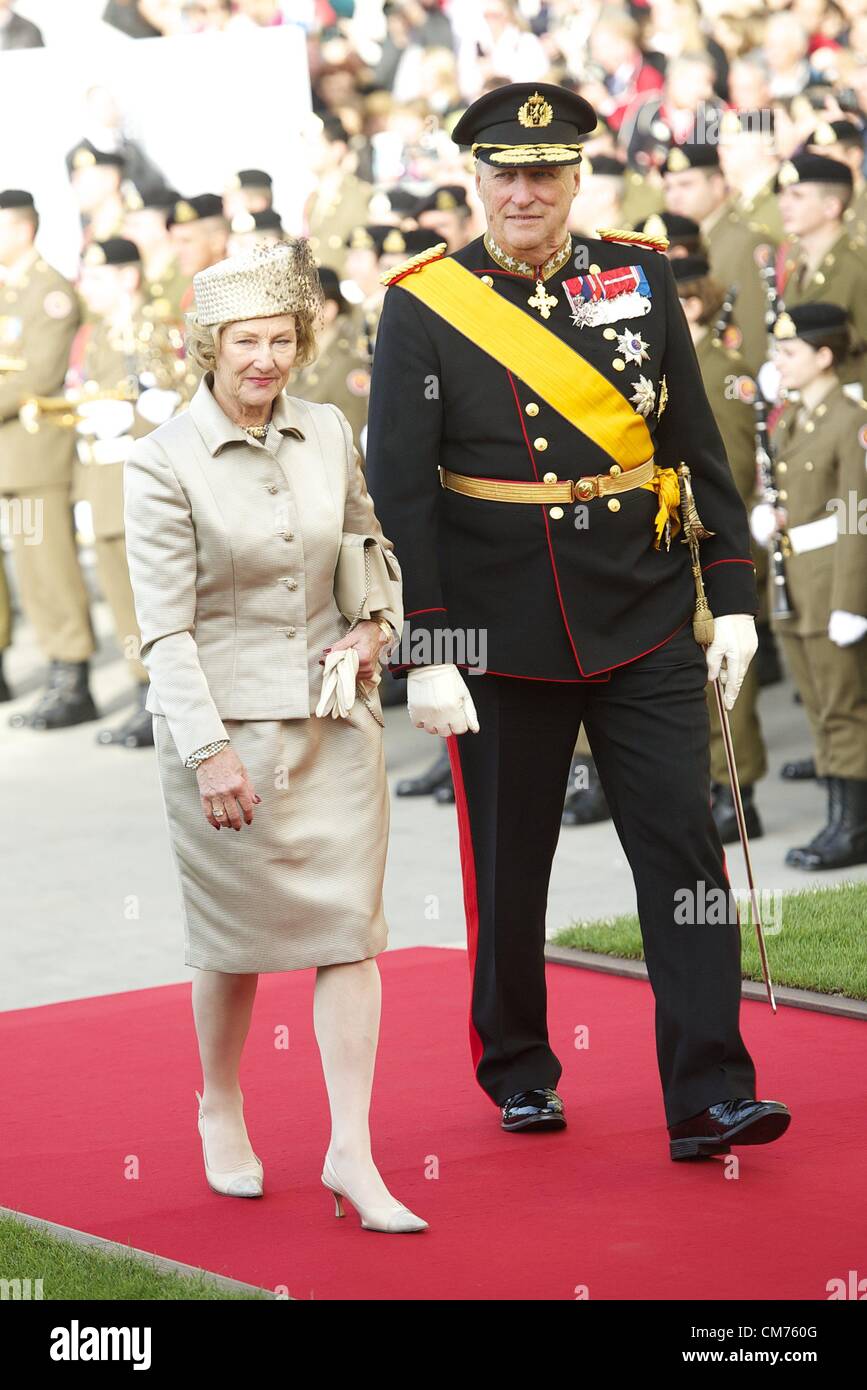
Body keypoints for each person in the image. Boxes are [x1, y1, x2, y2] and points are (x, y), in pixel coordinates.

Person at [366, 82, 791, 1161]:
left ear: (575, 180)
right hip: (499, 633)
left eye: (546, 174)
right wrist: (428, 648)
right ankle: (517, 1064)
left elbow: (697, 442)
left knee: (687, 855)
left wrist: (732, 597)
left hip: (642, 609)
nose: (525, 192)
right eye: (504, 173)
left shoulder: (638, 274)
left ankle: (709, 1091)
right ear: (475, 181)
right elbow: (404, 494)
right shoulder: (425, 303)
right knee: (513, 866)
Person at [123, 240, 426, 1231]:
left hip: (336, 723)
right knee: (233, 943)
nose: (267, 359)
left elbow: (365, 540)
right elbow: (164, 630)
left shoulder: (329, 427)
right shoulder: (161, 461)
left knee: (352, 935)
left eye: (283, 339)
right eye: (248, 341)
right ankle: (220, 1104)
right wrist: (207, 750)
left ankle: (352, 1150)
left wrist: (376, 623)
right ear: (208, 346)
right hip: (226, 736)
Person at [751, 305, 867, 869]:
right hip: (795, 582)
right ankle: (837, 819)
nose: (779, 362)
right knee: (820, 706)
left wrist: (850, 602)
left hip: (830, 586)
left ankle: (853, 827)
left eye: (790, 352)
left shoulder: (849, 418)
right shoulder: (796, 416)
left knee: (843, 706)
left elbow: (855, 515)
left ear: (824, 356)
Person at [70, 236, 187, 748]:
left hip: (145, 473)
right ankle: (144, 689)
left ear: (128, 277)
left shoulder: (157, 326)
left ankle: (169, 700)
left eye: (97, 277)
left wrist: (136, 417)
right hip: (104, 475)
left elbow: (179, 398)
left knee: (153, 598)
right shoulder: (98, 334)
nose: (86, 288)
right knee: (120, 597)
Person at [671, 253, 768, 843]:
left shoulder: (722, 370)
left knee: (729, 671)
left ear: (692, 304)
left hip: (708, 533)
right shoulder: (681, 363)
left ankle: (740, 792)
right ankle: (712, 787)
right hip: (677, 535)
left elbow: (726, 468)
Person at [0, 189, 97, 730]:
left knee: (50, 568)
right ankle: (59, 667)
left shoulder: (49, 292)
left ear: (21, 230)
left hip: (37, 457)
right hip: (13, 460)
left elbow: (38, 375)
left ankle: (73, 676)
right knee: (32, 570)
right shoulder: (10, 290)